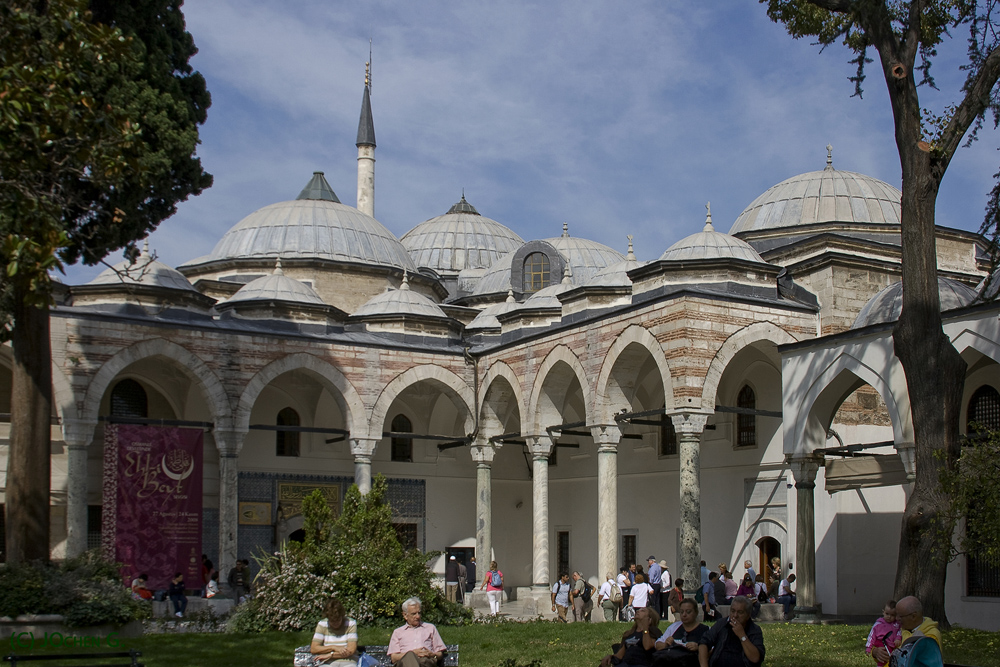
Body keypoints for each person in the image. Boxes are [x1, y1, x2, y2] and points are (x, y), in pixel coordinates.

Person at [873, 596, 943, 667]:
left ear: (913, 616)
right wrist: (875, 652)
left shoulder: (930, 637)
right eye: (896, 615)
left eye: (900, 616)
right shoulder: (900, 628)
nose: (897, 618)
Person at [698, 596, 765, 667]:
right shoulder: (722, 624)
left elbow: (755, 658)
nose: (735, 615)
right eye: (733, 611)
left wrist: (742, 635)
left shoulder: (754, 630)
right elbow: (704, 643)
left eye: (740, 612)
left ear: (748, 615)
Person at [388, 597, 446, 667]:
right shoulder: (398, 632)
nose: (417, 616)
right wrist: (413, 653)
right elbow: (394, 658)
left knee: (423, 660)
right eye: (414, 614)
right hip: (405, 663)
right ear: (405, 615)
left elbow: (440, 654)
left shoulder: (430, 628)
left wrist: (432, 654)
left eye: (419, 613)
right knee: (410, 656)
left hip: (426, 662)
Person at [653, 598, 709, 667]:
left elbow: (714, 650)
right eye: (681, 612)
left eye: (688, 612)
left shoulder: (706, 630)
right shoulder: (674, 627)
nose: (684, 615)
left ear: (696, 612)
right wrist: (665, 644)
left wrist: (699, 648)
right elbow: (657, 644)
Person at [311, 596, 359, 666]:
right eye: (332, 621)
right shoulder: (322, 624)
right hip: (328, 662)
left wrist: (330, 655)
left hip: (348, 661)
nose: (335, 623)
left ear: (342, 616)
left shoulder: (350, 623)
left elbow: (351, 650)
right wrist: (333, 647)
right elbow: (314, 649)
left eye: (338, 620)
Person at [866, 600, 902, 667]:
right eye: (887, 614)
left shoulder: (897, 624)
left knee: (891, 658)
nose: (889, 617)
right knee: (883, 656)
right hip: (880, 642)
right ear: (883, 612)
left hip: (892, 644)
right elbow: (871, 635)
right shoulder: (878, 624)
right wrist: (868, 647)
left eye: (892, 615)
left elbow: (900, 631)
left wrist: (898, 638)